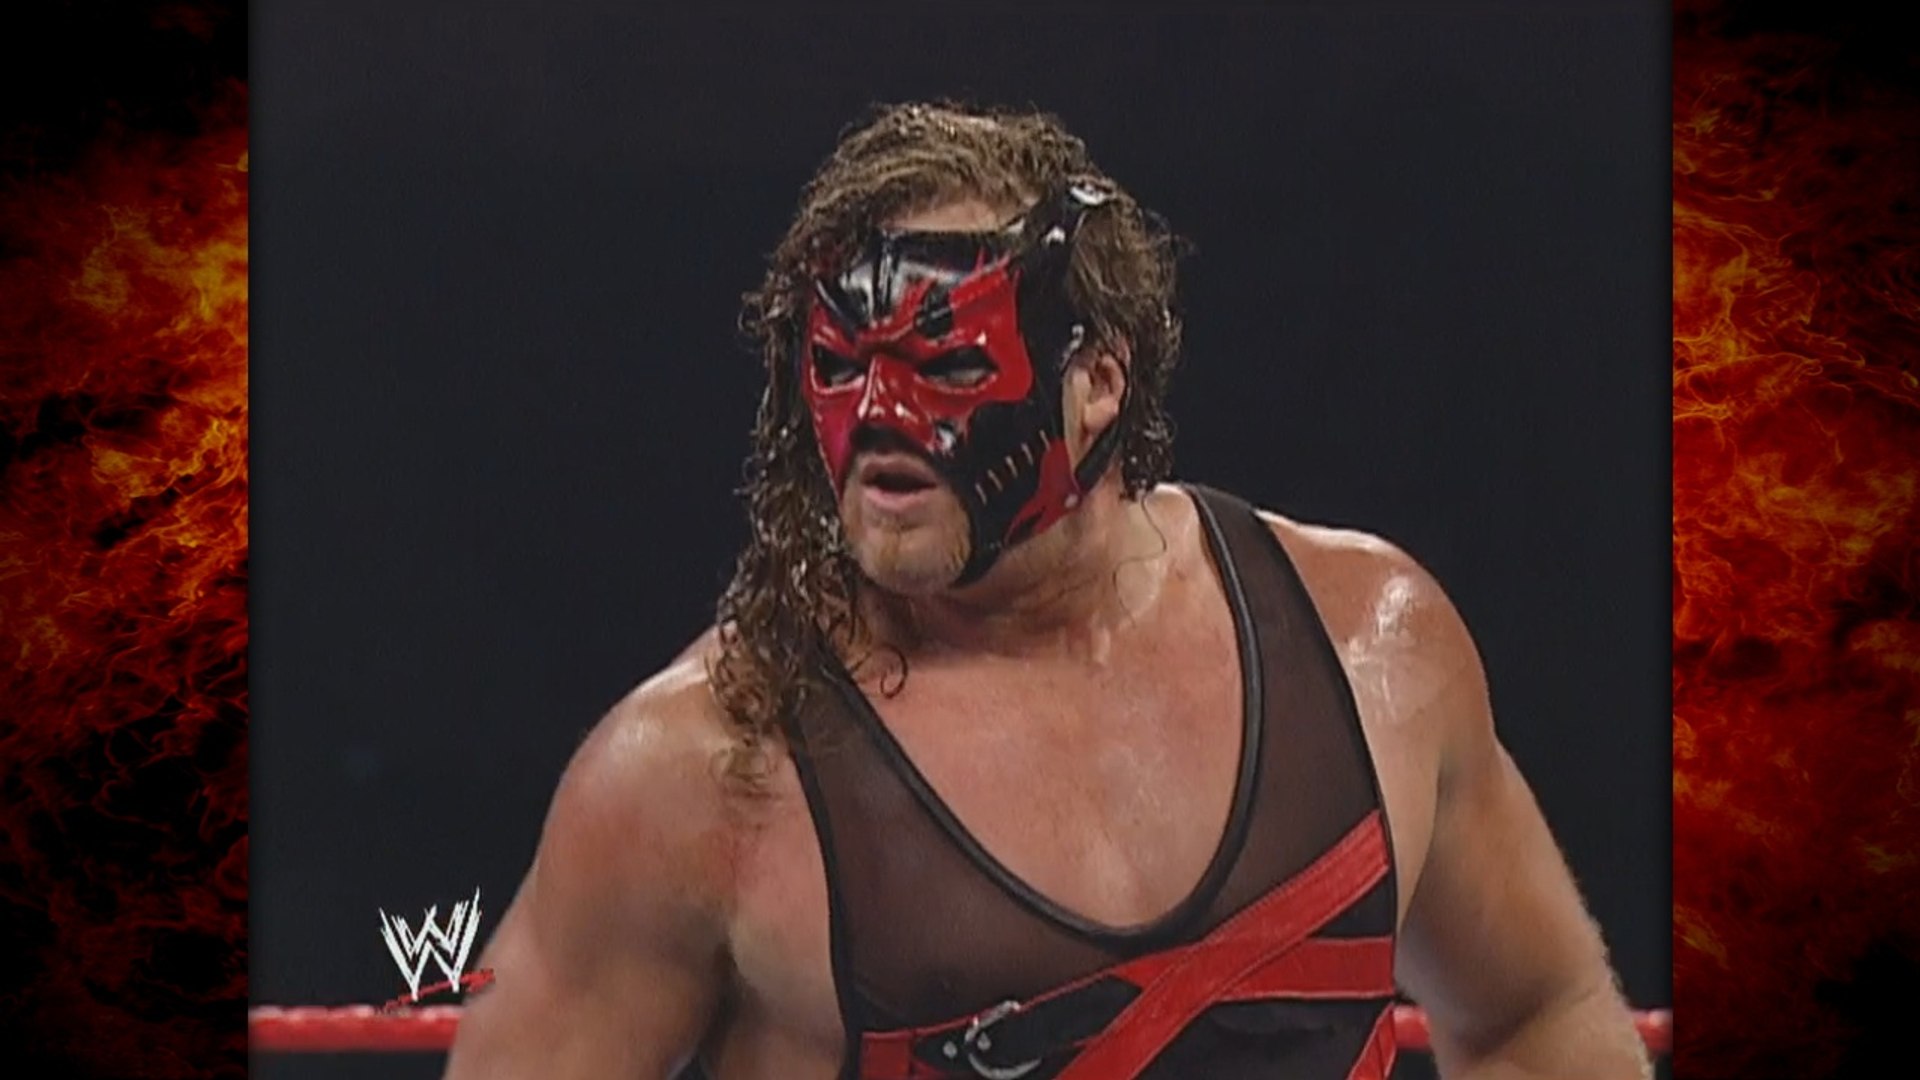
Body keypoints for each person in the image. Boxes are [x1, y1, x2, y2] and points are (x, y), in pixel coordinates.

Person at [443, 101, 1651, 1079]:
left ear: (1098, 383)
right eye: (842, 366)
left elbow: (1535, 1014)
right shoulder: (700, 770)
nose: (878, 418)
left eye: (945, 364)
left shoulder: (1369, 646)